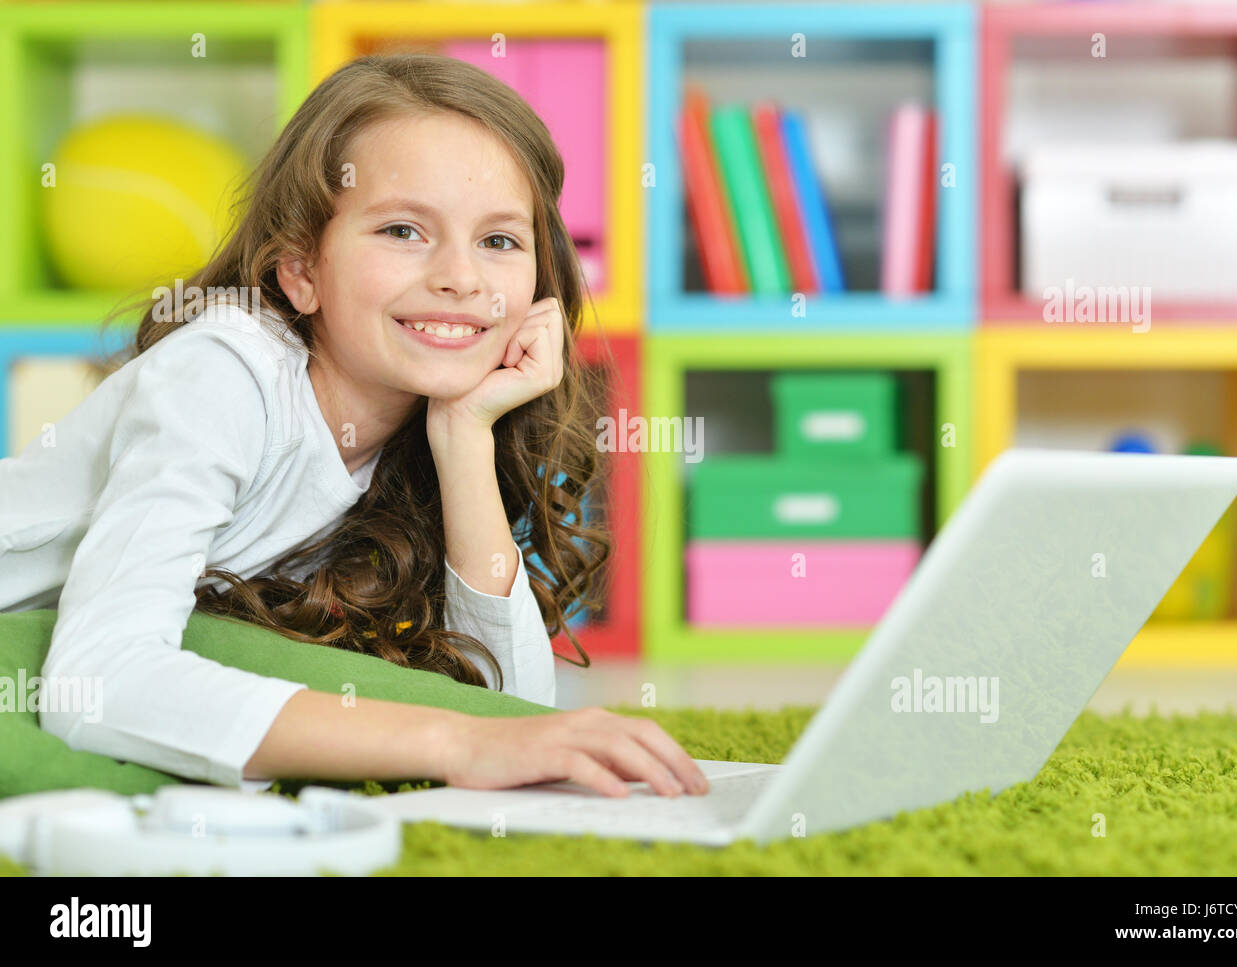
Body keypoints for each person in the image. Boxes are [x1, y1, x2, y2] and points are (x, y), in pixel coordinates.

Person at [0, 53, 707, 800]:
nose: (461, 278)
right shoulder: (221, 375)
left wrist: (464, 436)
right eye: (404, 230)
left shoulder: (407, 428)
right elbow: (96, 682)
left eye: (499, 241)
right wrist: (457, 741)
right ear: (301, 269)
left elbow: (513, 711)